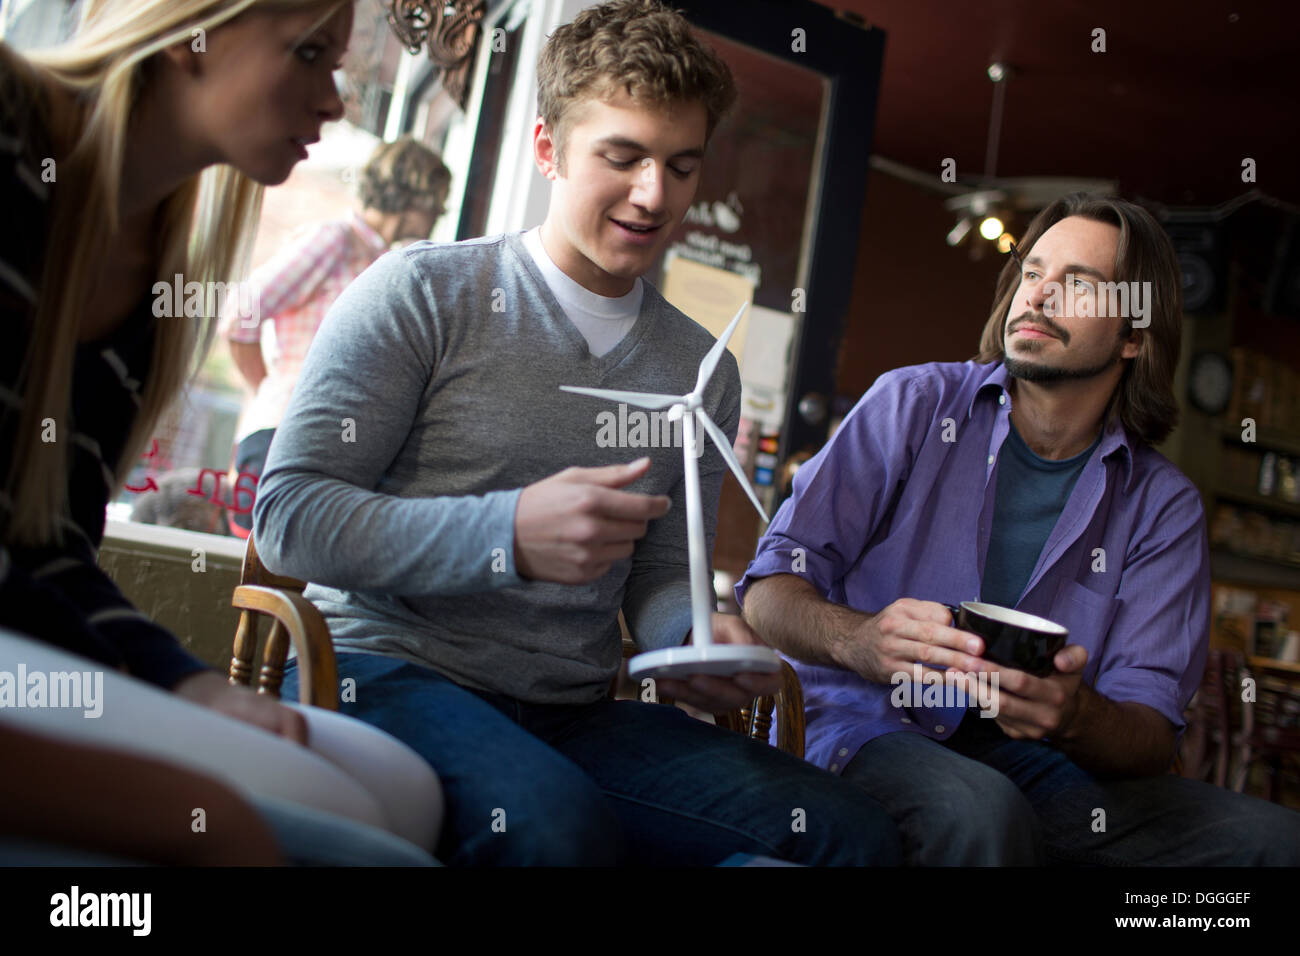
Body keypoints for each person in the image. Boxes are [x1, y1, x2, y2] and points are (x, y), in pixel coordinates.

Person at [255, 0, 902, 866]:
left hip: (579, 713)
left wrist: (693, 642)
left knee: (847, 833)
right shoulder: (421, 293)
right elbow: (289, 517)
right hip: (387, 674)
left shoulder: (698, 366)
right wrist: (504, 534)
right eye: (623, 156)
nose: (654, 195)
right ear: (548, 150)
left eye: (681, 165)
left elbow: (667, 574)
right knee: (554, 826)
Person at [0, 0, 440, 863]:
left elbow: (52, 548)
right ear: (187, 35)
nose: (335, 102)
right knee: (331, 830)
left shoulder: (157, 271)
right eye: (309, 53)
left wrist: (190, 680)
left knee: (405, 788)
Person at [738, 192, 1300, 865]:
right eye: (1032, 274)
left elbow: (1151, 732)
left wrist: (1074, 715)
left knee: (1272, 842)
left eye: (1079, 283)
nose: (1038, 297)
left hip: (1044, 764)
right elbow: (767, 591)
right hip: (864, 727)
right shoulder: (912, 405)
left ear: (1134, 334)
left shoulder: (1162, 506)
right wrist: (860, 640)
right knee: (977, 810)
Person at [223, 135, 451, 535]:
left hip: (325, 445)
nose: (440, 214)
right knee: (264, 576)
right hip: (283, 437)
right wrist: (271, 392)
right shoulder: (335, 240)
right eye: (438, 202)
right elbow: (242, 312)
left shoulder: (384, 261)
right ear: (412, 196)